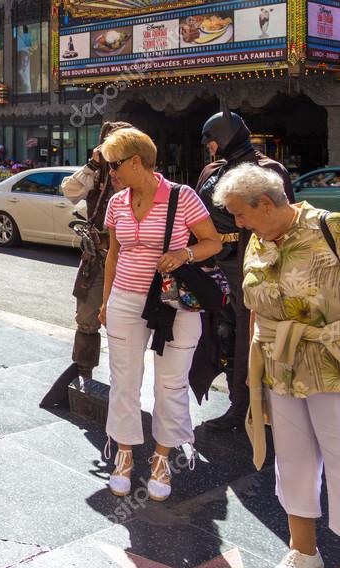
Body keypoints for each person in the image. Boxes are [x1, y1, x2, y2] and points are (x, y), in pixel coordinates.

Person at [211, 163, 340, 568]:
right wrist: (253, 373)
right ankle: (305, 552)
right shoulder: (255, 242)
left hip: (332, 367)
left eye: (240, 215)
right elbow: (254, 309)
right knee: (293, 461)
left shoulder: (331, 228)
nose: (237, 224)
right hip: (279, 369)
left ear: (265, 203)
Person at [98, 127, 221, 502]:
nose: (111, 173)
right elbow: (113, 256)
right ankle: (122, 455)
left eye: (115, 165)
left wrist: (184, 254)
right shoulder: (117, 202)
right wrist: (106, 301)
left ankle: (163, 458)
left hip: (174, 303)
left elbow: (212, 242)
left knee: (171, 383)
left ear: (137, 161)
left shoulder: (183, 198)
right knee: (123, 379)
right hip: (125, 300)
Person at [195, 109, 294, 432]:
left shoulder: (267, 170)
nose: (209, 146)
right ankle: (236, 402)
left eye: (211, 140)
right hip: (213, 264)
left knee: (248, 335)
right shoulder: (212, 170)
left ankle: (247, 407)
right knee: (220, 334)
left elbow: (281, 223)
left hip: (247, 265)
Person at [41, 121, 133, 407]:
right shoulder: (98, 169)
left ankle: (126, 383)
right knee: (87, 317)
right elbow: (70, 192)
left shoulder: (138, 168)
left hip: (130, 258)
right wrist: (93, 163)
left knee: (128, 322)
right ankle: (83, 373)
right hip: (98, 255)